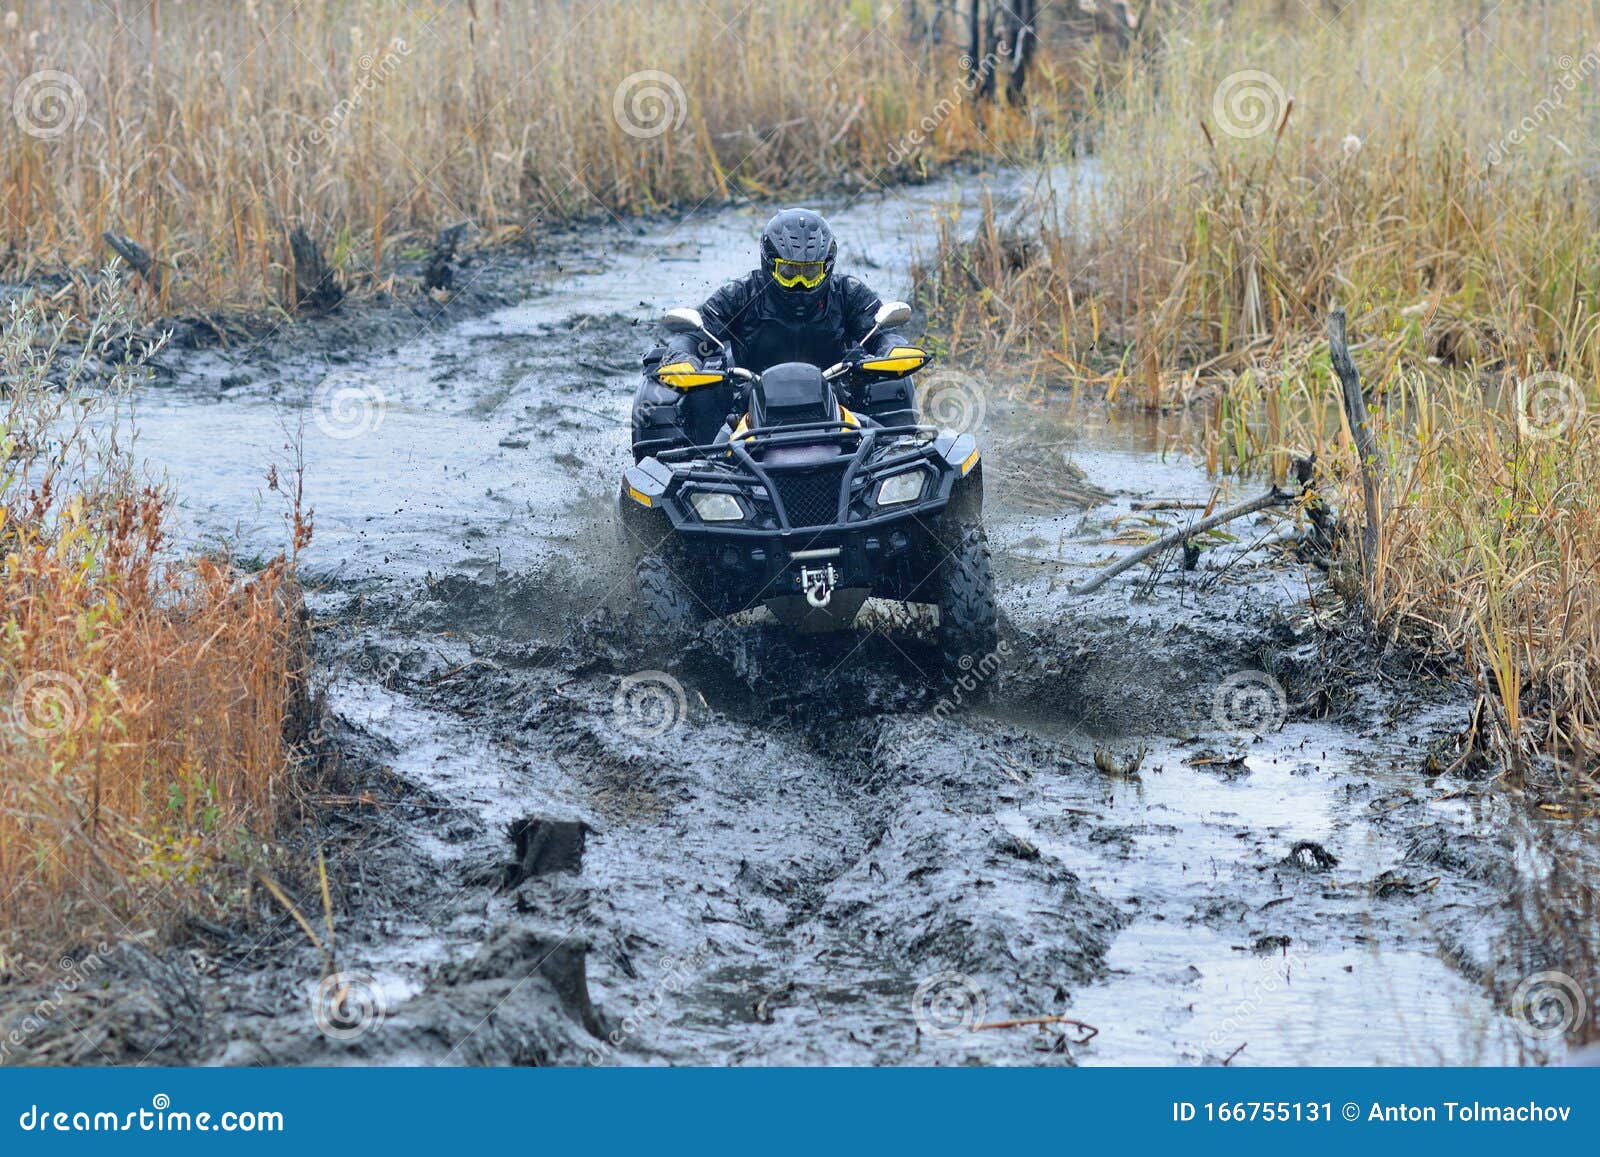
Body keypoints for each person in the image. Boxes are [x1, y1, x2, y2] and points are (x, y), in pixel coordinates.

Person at [664, 208, 911, 400]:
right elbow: (694, 334)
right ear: (769, 264)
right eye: (790, 272)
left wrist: (893, 349)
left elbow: (883, 332)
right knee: (702, 395)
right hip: (746, 405)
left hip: (838, 398)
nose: (801, 283)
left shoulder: (848, 292)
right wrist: (683, 359)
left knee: (890, 386)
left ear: (827, 267)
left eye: (811, 272)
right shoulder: (740, 293)